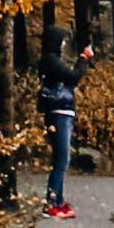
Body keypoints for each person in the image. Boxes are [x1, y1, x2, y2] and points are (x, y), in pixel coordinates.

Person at [41, 32, 86, 217]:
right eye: (62, 42)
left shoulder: (52, 61)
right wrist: (84, 59)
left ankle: (58, 200)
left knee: (61, 159)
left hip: (62, 111)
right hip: (59, 111)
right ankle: (51, 203)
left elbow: (69, 76)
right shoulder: (50, 60)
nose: (63, 45)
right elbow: (73, 77)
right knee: (61, 159)